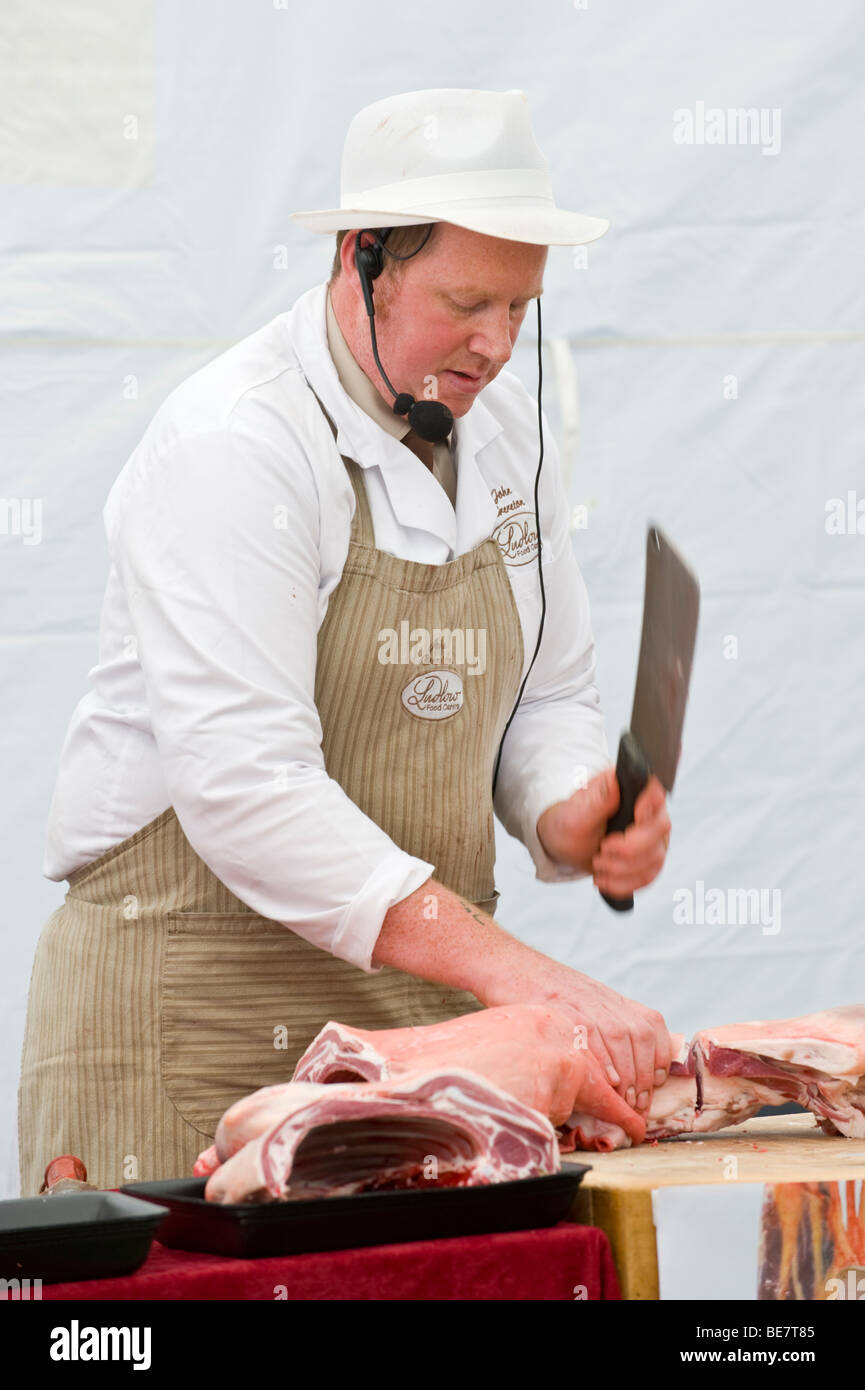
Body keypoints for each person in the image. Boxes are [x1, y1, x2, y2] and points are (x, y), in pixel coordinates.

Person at [18, 88, 673, 1194]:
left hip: (413, 1035)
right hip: (191, 1011)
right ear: (361, 258)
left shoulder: (508, 434)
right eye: (465, 301)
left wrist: (572, 810)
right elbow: (248, 788)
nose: (497, 344)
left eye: (522, 306)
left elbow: (544, 699)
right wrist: (528, 982)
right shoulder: (238, 444)